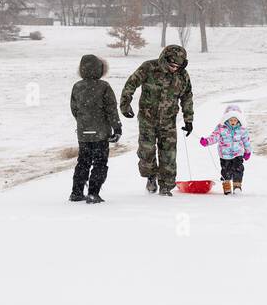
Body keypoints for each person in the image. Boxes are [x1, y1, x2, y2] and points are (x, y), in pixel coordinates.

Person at [119, 44, 193, 196]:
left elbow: (187, 96)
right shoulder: (149, 67)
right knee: (147, 152)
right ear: (165, 59)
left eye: (178, 66)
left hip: (169, 121)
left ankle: (166, 187)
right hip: (148, 119)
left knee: (169, 155)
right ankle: (151, 176)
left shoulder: (182, 75)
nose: (174, 68)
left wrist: (188, 119)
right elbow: (131, 84)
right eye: (172, 65)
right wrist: (125, 104)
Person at [69, 53, 121, 204]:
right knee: (99, 163)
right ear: (100, 69)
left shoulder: (77, 87)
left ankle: (76, 192)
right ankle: (93, 193)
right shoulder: (104, 86)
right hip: (100, 133)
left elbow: (74, 109)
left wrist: (83, 122)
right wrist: (117, 128)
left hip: (83, 133)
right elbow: (111, 109)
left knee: (83, 162)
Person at [199, 104, 252, 194]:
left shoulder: (242, 129)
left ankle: (237, 186)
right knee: (226, 171)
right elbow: (214, 137)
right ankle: (227, 185)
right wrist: (207, 141)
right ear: (226, 119)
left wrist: (248, 151)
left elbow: (246, 141)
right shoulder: (221, 128)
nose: (233, 122)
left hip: (237, 154)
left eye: (235, 120)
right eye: (231, 119)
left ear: (238, 120)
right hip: (224, 155)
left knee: (238, 169)